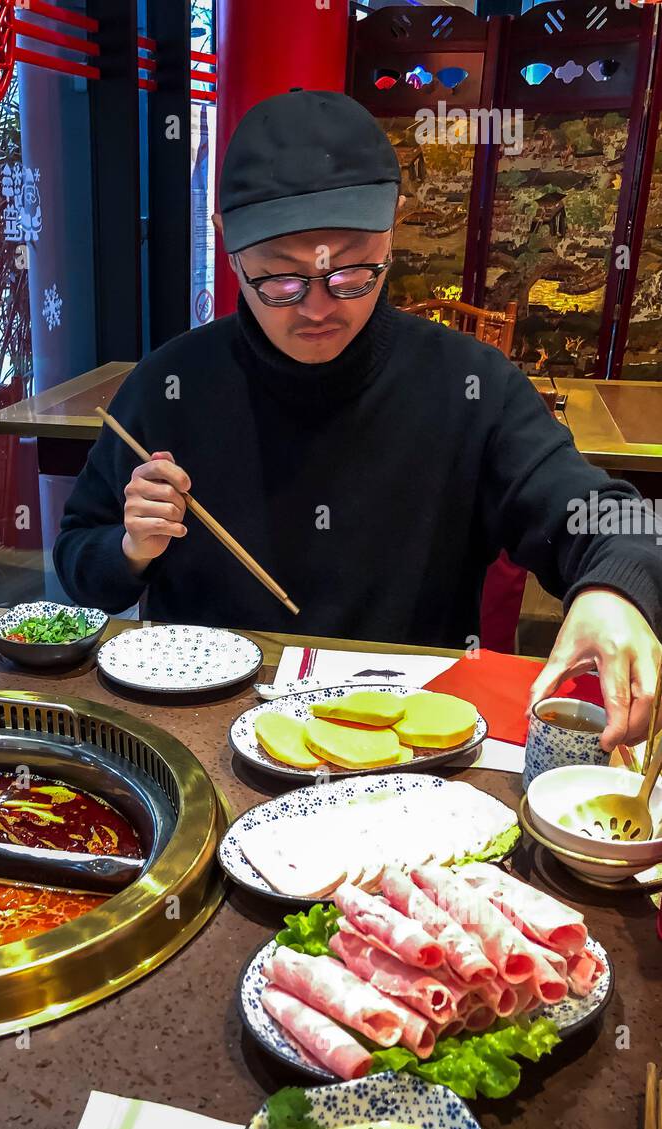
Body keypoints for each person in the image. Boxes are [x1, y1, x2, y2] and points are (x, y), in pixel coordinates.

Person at [54, 90, 662, 749]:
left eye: (351, 274)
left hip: (404, 747)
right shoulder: (169, 386)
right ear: (228, 243)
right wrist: (130, 549)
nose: (317, 308)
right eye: (280, 281)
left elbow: (607, 518)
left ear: (392, 227)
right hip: (201, 734)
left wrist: (616, 591)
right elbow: (79, 559)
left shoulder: (470, 386)